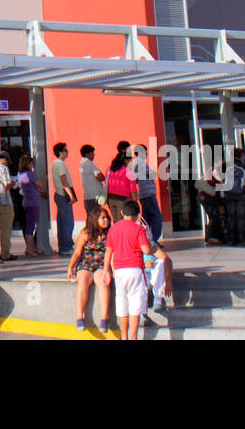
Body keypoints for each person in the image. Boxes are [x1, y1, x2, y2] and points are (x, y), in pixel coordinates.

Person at [101, 199, 154, 341]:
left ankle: (124, 336)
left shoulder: (113, 229)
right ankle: (133, 336)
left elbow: (108, 252)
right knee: (135, 306)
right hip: (135, 270)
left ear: (122, 212)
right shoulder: (138, 229)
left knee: (122, 304)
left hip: (119, 271)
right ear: (137, 215)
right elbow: (146, 249)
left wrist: (106, 270)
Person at [68, 204, 111, 332]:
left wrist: (109, 269)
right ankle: (80, 316)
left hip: (102, 264)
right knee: (83, 282)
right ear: (95, 219)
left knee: (103, 283)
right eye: (103, 218)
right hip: (86, 263)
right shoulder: (86, 233)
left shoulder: (110, 233)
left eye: (107, 217)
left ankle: (104, 319)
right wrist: (71, 267)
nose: (106, 220)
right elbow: (77, 252)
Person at [223, 147, 245, 246]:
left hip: (229, 195)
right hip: (242, 195)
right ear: (241, 156)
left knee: (231, 216)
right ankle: (243, 239)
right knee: (241, 217)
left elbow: (216, 175)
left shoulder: (226, 166)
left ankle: (231, 239)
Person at [129, 143, 162, 242]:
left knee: (146, 218)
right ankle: (153, 239)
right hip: (148, 193)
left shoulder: (134, 163)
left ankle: (145, 239)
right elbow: (152, 175)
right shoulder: (140, 162)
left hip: (143, 194)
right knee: (156, 217)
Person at [51, 142, 77, 256]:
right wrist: (71, 195)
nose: (68, 152)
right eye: (65, 150)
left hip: (58, 194)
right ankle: (66, 246)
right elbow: (64, 180)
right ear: (60, 152)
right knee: (67, 222)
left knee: (62, 222)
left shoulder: (55, 164)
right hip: (63, 195)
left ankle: (63, 246)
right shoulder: (60, 164)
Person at [17, 155, 44, 256]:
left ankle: (32, 247)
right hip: (33, 202)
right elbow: (40, 184)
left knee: (29, 225)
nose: (33, 165)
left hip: (27, 201)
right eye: (31, 163)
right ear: (27, 164)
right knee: (30, 226)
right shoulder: (30, 174)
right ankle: (30, 248)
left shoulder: (21, 175)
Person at [105, 142, 137, 225]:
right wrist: (135, 204)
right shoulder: (129, 171)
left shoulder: (109, 169)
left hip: (110, 198)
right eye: (130, 160)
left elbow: (106, 182)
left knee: (116, 222)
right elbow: (133, 190)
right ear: (126, 160)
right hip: (123, 199)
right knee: (123, 222)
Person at [0, 151, 17, 262]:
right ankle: (5, 253)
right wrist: (13, 183)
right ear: (4, 159)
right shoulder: (3, 168)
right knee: (5, 231)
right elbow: (7, 185)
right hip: (5, 202)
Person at [78, 144, 104, 220]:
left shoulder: (82, 164)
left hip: (87, 196)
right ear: (87, 154)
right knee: (95, 218)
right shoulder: (89, 163)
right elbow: (100, 176)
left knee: (90, 217)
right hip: (94, 196)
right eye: (92, 153)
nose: (94, 155)